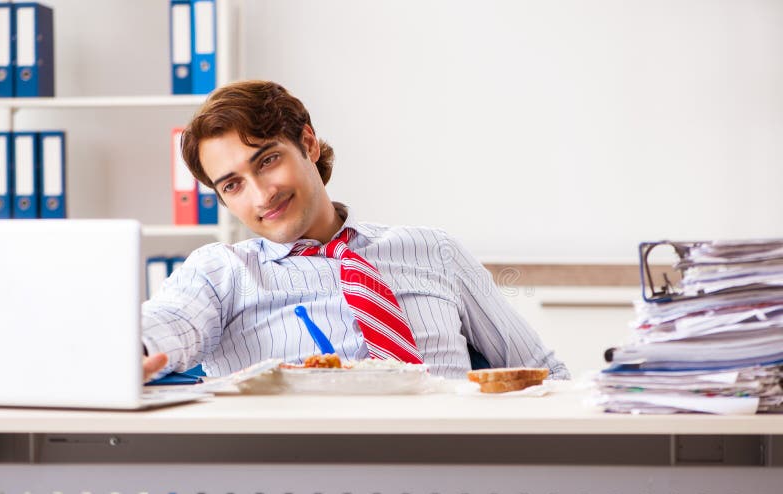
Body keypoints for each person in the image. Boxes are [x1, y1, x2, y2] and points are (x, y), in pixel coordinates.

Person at [141, 80, 570, 382]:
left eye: (267, 161)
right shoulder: (221, 272)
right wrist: (130, 351)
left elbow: (542, 372)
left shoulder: (433, 250)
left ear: (307, 143)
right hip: (303, 491)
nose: (260, 196)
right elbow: (166, 324)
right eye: (233, 185)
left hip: (450, 481)